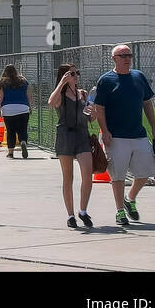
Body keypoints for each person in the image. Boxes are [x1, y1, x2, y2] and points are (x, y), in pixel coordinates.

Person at [91, 44, 155, 227]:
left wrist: (154, 127)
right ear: (114, 59)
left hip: (138, 134)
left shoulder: (138, 77)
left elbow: (147, 103)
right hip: (116, 137)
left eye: (129, 55)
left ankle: (130, 199)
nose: (127, 58)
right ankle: (119, 211)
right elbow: (100, 108)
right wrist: (105, 131)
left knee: (145, 172)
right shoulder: (106, 80)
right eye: (123, 55)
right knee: (118, 176)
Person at [49, 63, 94, 228]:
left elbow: (90, 118)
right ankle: (70, 215)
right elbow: (51, 103)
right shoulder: (60, 94)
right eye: (72, 74)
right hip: (65, 136)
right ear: (65, 76)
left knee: (87, 173)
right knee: (68, 177)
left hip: (82, 135)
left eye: (77, 73)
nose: (76, 76)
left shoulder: (83, 94)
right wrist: (61, 83)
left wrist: (92, 111)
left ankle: (83, 211)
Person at [0, 64, 31, 158]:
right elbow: (29, 95)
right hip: (23, 108)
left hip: (8, 110)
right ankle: (23, 141)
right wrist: (30, 106)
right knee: (23, 129)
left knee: (10, 131)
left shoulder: (2, 83)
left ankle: (11, 152)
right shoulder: (23, 81)